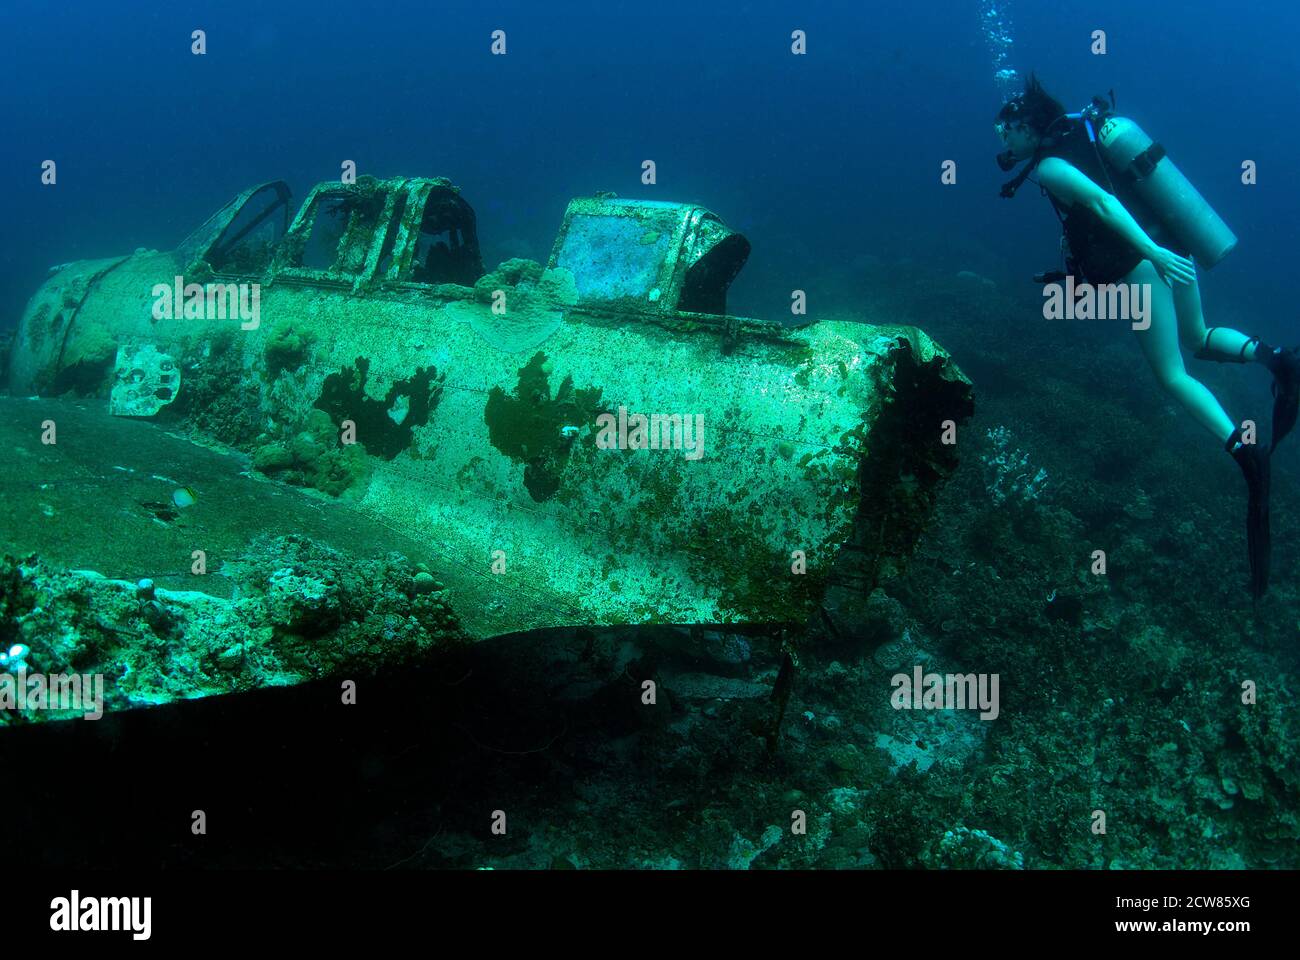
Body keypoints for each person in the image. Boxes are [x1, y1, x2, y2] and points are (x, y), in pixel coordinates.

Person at [994, 74, 1300, 600]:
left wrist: (1152, 259)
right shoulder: (1082, 132)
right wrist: (1149, 255)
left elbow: (1104, 207)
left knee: (1171, 374)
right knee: (1200, 338)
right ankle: (1279, 362)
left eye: (1007, 131)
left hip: (1145, 263)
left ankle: (1248, 458)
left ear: (1027, 127)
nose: (1003, 140)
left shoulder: (1047, 165)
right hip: (1168, 243)